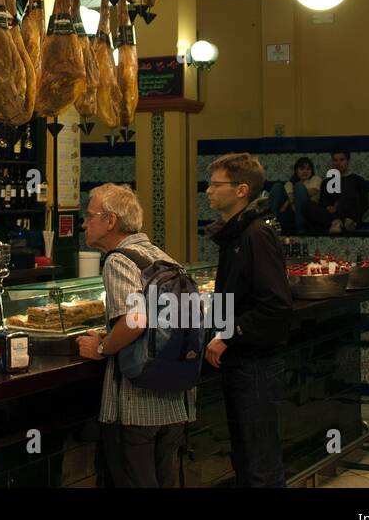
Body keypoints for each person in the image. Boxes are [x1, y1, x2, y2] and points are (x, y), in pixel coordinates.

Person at [76, 184, 194, 488]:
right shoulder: (161, 256)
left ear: (110, 220)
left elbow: (136, 320)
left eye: (90, 216)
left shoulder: (118, 260)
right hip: (175, 396)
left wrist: (102, 346)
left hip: (136, 404)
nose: (84, 223)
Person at [204, 153, 293, 487]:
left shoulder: (256, 234)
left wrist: (228, 334)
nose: (208, 190)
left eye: (216, 184)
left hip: (255, 363)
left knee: (259, 463)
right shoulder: (236, 233)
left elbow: (276, 306)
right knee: (246, 457)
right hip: (243, 360)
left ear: (241, 190)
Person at [266, 157, 321, 234]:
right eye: (302, 169)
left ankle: (300, 228)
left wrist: (289, 201)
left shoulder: (315, 179)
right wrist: (289, 202)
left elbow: (313, 191)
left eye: (308, 169)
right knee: (277, 186)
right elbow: (287, 198)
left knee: (299, 187)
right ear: (296, 171)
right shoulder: (290, 184)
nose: (305, 171)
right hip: (291, 211)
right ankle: (270, 223)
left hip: (306, 211)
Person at [321, 150, 369, 234]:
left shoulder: (357, 180)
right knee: (308, 206)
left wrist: (340, 206)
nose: (338, 163)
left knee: (347, 187)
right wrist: (328, 207)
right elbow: (323, 201)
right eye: (335, 160)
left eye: (341, 160)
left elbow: (364, 203)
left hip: (351, 215)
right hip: (332, 217)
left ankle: (346, 221)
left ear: (348, 161)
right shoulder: (326, 182)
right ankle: (338, 221)